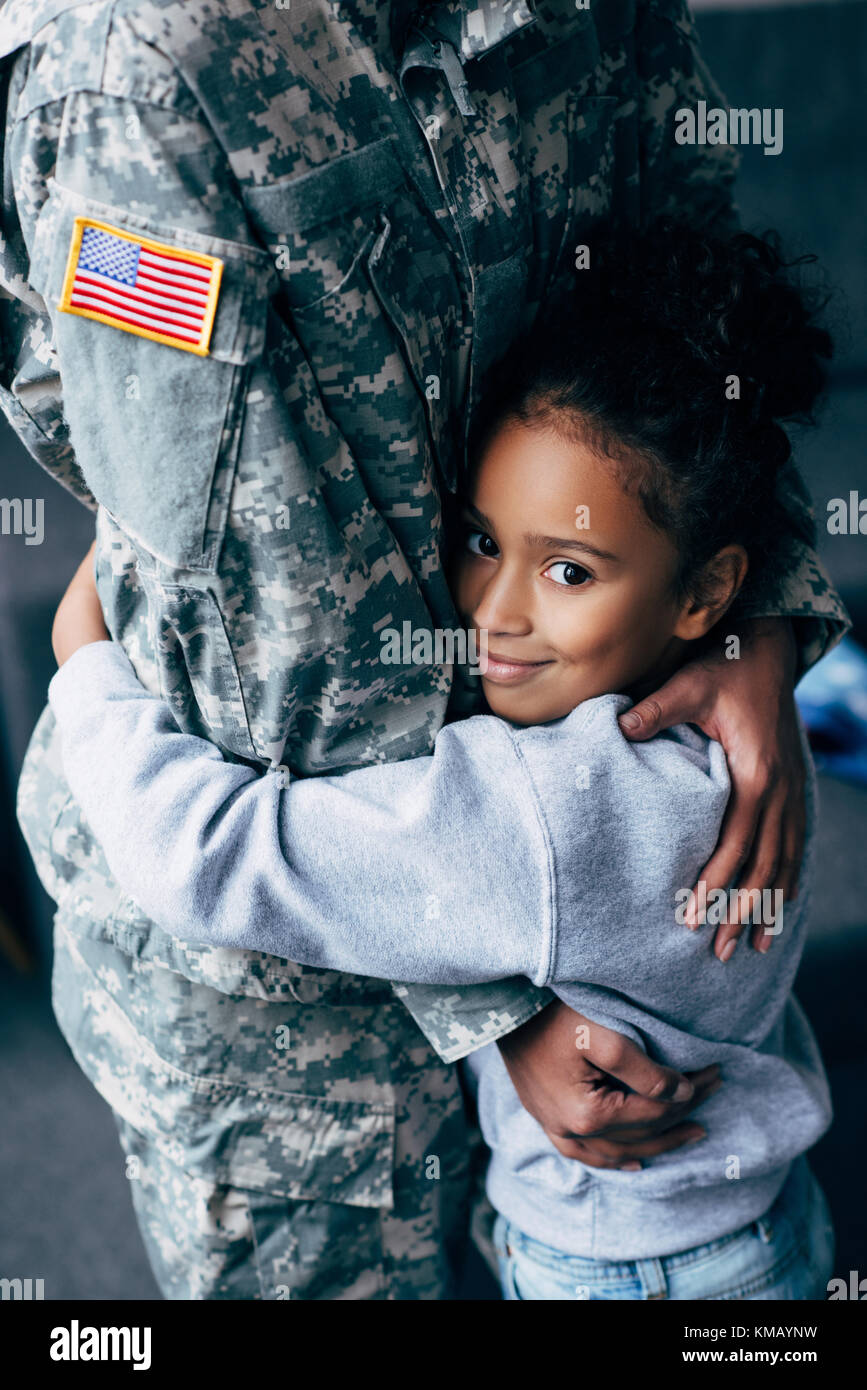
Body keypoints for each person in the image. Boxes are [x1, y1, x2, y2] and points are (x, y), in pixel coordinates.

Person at [0, 0, 848, 1299]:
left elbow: (701, 315)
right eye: (480, 545)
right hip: (304, 1050)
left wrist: (759, 624)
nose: (493, 604)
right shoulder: (152, 70)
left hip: (516, 941)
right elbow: (227, 592)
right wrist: (495, 999)